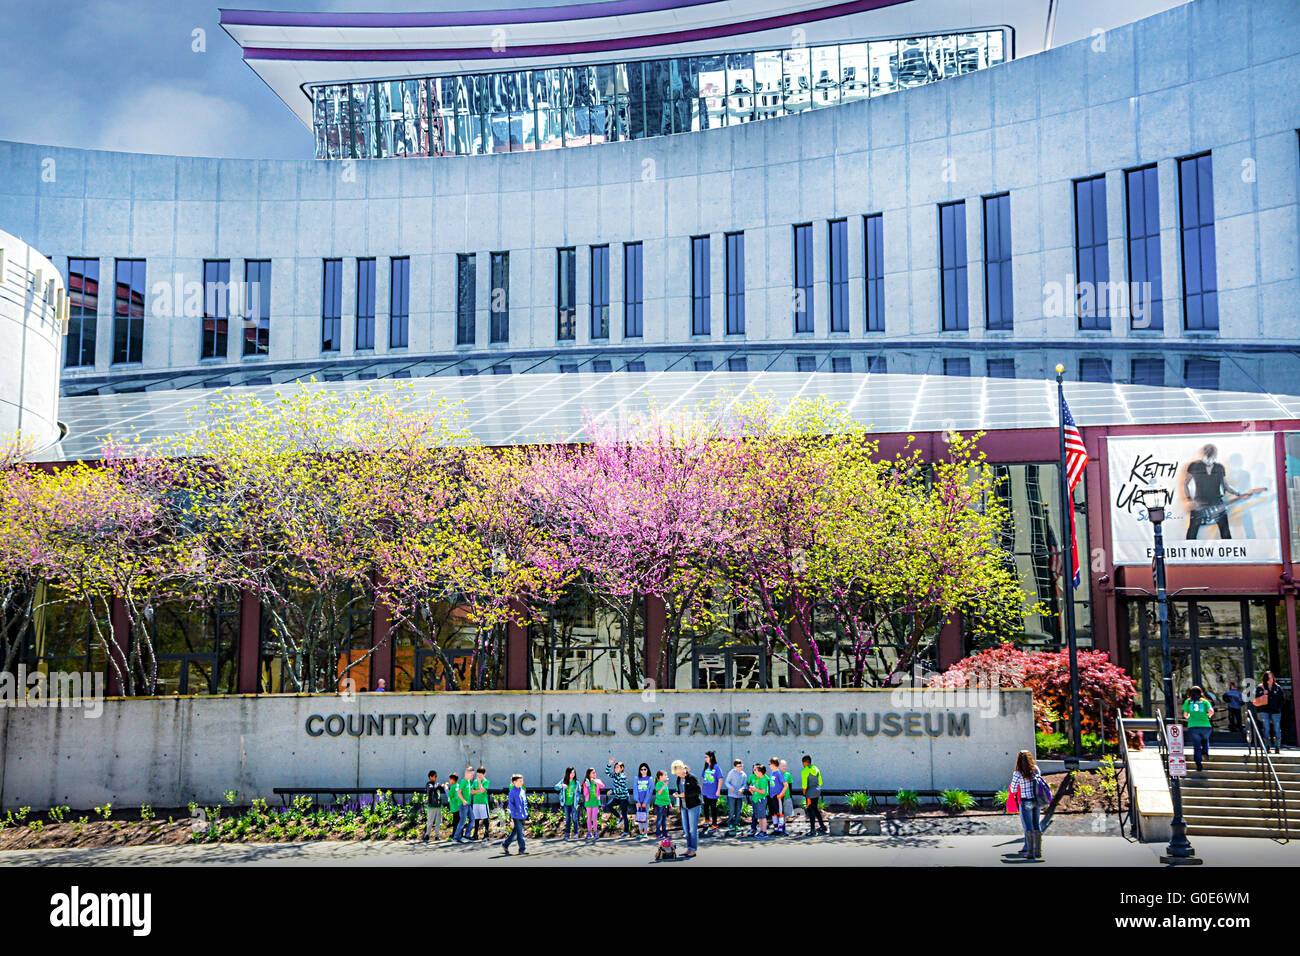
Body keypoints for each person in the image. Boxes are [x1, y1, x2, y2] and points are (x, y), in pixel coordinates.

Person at [1007, 749, 1050, 860]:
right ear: (1030, 758)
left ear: (1019, 760)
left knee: (1028, 827)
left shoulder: (1018, 773)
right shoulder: (1035, 770)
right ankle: (1038, 852)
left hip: (1026, 801)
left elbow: (1013, 788)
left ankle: (1030, 853)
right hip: (1036, 801)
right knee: (1037, 825)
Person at [672, 759, 702, 859]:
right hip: (684, 807)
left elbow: (698, 791)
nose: (677, 775)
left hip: (693, 806)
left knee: (693, 829)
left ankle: (693, 850)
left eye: (678, 773)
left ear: (682, 769)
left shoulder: (692, 778)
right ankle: (689, 848)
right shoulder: (678, 779)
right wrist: (676, 794)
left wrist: (685, 794)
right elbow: (679, 789)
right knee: (686, 829)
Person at [1182, 685, 1214, 772]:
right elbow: (1211, 711)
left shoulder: (1188, 702)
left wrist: (1189, 717)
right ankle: (1205, 751)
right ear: (1201, 693)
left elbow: (1185, 715)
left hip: (1193, 726)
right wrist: (1208, 716)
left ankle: (1199, 765)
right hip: (1205, 725)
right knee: (1205, 739)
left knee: (1196, 747)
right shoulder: (1205, 701)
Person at [1256, 671, 1285, 753]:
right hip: (1264, 711)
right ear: (1265, 679)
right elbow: (1256, 699)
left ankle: (1277, 747)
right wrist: (1263, 694)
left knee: (1277, 728)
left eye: (1271, 677)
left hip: (1276, 711)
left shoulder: (1277, 687)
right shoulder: (1260, 687)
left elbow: (1282, 699)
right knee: (1266, 728)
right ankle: (1267, 747)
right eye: (1268, 678)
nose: (1270, 679)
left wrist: (1278, 708)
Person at [604, 759, 632, 838]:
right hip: (618, 797)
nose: (615, 769)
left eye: (617, 767)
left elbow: (621, 789)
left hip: (624, 798)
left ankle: (626, 832)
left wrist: (612, 791)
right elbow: (607, 773)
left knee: (625, 814)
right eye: (615, 767)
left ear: (622, 768)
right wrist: (609, 764)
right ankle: (619, 817)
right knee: (608, 806)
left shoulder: (622, 777)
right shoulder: (615, 775)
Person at [501, 774, 528, 856]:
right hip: (516, 815)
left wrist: (526, 811)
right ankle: (522, 849)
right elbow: (511, 804)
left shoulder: (522, 791)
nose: (521, 783)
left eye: (522, 781)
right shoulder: (512, 792)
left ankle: (505, 844)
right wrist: (514, 812)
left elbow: (525, 803)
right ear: (514, 782)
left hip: (522, 815)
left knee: (515, 832)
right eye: (520, 781)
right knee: (520, 832)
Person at [801, 755, 827, 835]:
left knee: (810, 810)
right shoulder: (816, 768)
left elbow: (804, 785)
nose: (802, 764)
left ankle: (813, 830)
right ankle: (822, 826)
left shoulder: (805, 770)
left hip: (810, 792)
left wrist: (804, 793)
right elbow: (820, 782)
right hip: (817, 791)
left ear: (805, 762)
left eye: (803, 763)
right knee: (815, 809)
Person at [700, 751, 722, 834]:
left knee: (713, 808)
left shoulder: (716, 767)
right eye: (705, 757)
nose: (705, 758)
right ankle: (707, 821)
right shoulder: (706, 767)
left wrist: (718, 790)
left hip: (713, 791)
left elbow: (720, 779)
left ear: (711, 757)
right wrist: (702, 789)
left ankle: (714, 825)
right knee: (705, 807)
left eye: (706, 757)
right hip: (705, 791)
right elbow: (704, 778)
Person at [556, 766, 581, 840]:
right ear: (567, 773)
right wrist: (561, 786)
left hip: (573, 804)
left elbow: (579, 791)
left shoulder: (576, 782)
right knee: (567, 819)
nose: (572, 774)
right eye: (571, 773)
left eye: (574, 772)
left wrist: (577, 799)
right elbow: (556, 787)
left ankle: (576, 833)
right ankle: (567, 833)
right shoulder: (563, 781)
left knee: (574, 818)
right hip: (566, 804)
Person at [724, 758, 747, 836]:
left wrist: (741, 789)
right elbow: (727, 782)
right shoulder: (731, 773)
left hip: (739, 796)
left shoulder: (744, 774)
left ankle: (737, 824)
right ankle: (730, 824)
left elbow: (744, 785)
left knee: (738, 811)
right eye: (738, 766)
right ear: (735, 766)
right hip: (731, 795)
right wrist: (731, 788)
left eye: (741, 766)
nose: (740, 767)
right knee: (732, 810)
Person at [747, 763, 769, 838]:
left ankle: (764, 832)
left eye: (756, 771)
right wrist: (752, 790)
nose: (755, 772)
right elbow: (756, 791)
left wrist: (755, 789)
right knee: (760, 817)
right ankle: (761, 831)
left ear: (760, 772)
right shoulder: (759, 779)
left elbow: (763, 791)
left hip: (761, 800)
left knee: (762, 817)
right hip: (756, 799)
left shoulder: (763, 780)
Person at [581, 768, 604, 840]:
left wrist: (595, 781)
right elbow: (585, 793)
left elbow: (602, 786)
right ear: (589, 774)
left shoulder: (597, 781)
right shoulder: (586, 782)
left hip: (595, 802)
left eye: (595, 772)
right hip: (588, 802)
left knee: (594, 817)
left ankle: (595, 832)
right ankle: (589, 832)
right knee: (589, 818)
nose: (594, 774)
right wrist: (586, 787)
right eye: (593, 773)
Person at [423, 770, 445, 842]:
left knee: (438, 822)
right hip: (431, 806)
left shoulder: (436, 784)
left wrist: (443, 786)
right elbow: (431, 789)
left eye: (436, 776)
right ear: (430, 777)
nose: (436, 778)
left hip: (438, 806)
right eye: (435, 776)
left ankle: (437, 836)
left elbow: (441, 789)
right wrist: (438, 786)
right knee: (430, 821)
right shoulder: (429, 784)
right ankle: (427, 835)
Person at [632, 762, 653, 838]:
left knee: (645, 816)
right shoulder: (637, 778)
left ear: (647, 770)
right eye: (641, 769)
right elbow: (635, 790)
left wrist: (645, 802)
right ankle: (641, 832)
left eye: (645, 769)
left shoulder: (650, 779)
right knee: (640, 816)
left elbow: (650, 791)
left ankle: (645, 832)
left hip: (645, 802)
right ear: (639, 770)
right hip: (638, 802)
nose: (643, 771)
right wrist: (637, 801)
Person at [767, 758, 786, 835]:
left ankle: (781, 829)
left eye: (770, 764)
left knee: (780, 813)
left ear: (774, 764)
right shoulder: (772, 773)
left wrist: (780, 794)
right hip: (772, 796)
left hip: (778, 796)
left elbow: (786, 785)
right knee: (774, 813)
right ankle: (776, 829)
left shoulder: (778, 773)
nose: (769, 766)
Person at [471, 766, 491, 840]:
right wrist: (478, 790)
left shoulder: (486, 781)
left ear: (484, 774)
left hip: (483, 802)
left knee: (485, 818)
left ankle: (486, 834)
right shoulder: (475, 781)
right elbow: (471, 791)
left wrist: (479, 783)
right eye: (477, 775)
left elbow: (483, 790)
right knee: (476, 819)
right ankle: (475, 834)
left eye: (480, 775)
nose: (478, 777)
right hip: (476, 802)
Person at [652, 770, 672, 840]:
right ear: (660, 776)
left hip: (665, 804)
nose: (667, 776)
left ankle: (665, 833)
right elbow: (659, 792)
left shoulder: (665, 784)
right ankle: (658, 833)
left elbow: (667, 795)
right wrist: (664, 785)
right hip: (660, 805)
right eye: (665, 775)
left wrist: (670, 804)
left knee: (664, 820)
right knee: (659, 819)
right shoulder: (658, 784)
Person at [457, 767, 475, 843]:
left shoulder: (468, 782)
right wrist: (463, 800)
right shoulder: (463, 781)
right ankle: (456, 837)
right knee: (463, 820)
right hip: (463, 804)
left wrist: (477, 791)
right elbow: (459, 793)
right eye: (472, 774)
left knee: (472, 819)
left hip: (468, 804)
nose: (472, 776)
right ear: (467, 773)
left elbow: (470, 791)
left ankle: (467, 836)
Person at [448, 772, 467, 842]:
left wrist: (446, 788)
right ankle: (460, 835)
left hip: (455, 807)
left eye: (450, 780)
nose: (449, 781)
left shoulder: (453, 787)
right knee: (460, 821)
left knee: (455, 822)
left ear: (452, 780)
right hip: (460, 806)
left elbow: (449, 795)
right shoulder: (459, 785)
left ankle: (455, 835)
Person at [779, 759, 796, 826]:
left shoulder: (788, 775)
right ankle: (780, 827)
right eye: (783, 766)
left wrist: (790, 796)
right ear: (779, 766)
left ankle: (783, 827)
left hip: (787, 797)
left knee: (787, 815)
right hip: (779, 798)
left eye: (785, 766)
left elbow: (790, 786)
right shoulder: (776, 774)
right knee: (780, 814)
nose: (784, 767)